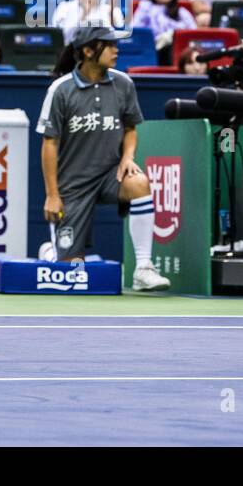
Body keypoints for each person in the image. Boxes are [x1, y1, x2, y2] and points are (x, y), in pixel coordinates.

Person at [39, 25, 167, 289]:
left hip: (111, 175)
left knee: (139, 182)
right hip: (71, 186)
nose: (115, 50)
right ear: (88, 51)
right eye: (109, 45)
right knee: (71, 272)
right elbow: (49, 144)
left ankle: (143, 268)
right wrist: (52, 195)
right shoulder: (60, 90)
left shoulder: (124, 84)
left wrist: (127, 157)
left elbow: (131, 128)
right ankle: (52, 253)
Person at [130, 0, 196, 62]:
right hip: (151, 53)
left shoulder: (182, 12)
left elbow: (194, 37)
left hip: (178, 56)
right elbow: (136, 34)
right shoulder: (145, 7)